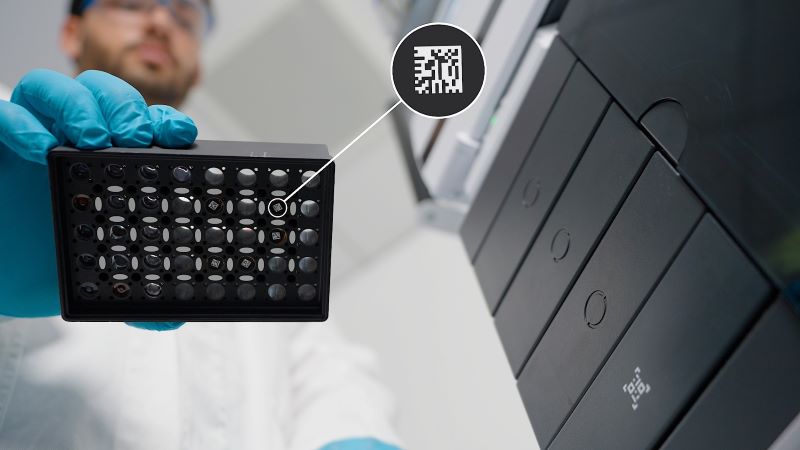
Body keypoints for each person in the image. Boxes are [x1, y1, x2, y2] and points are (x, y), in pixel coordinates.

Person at [0, 1, 402, 449]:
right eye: (131, 4)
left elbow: (327, 374)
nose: (159, 22)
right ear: (71, 33)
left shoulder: (254, 219)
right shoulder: (9, 151)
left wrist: (352, 437)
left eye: (184, 17)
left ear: (196, 70)